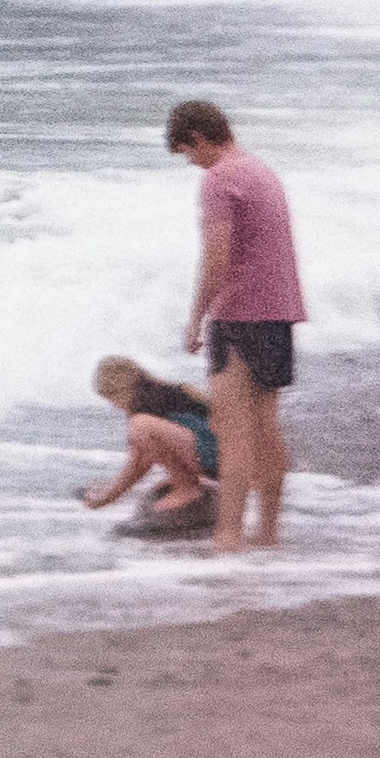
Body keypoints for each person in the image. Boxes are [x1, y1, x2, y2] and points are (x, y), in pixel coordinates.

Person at [165, 99, 303, 546]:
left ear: (200, 139)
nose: (192, 162)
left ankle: (228, 535)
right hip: (278, 310)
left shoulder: (218, 179)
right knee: (266, 426)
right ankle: (268, 531)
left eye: (189, 152)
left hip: (240, 313)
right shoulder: (260, 170)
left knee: (232, 430)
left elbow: (216, 257)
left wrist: (195, 319)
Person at [76, 353, 219, 533]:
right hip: (218, 456)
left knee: (141, 426)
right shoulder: (160, 391)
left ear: (120, 390)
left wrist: (108, 497)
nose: (114, 406)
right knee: (144, 430)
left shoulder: (146, 403)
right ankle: (186, 479)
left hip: (218, 458)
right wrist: (110, 490)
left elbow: (139, 464)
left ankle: (187, 487)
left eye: (111, 399)